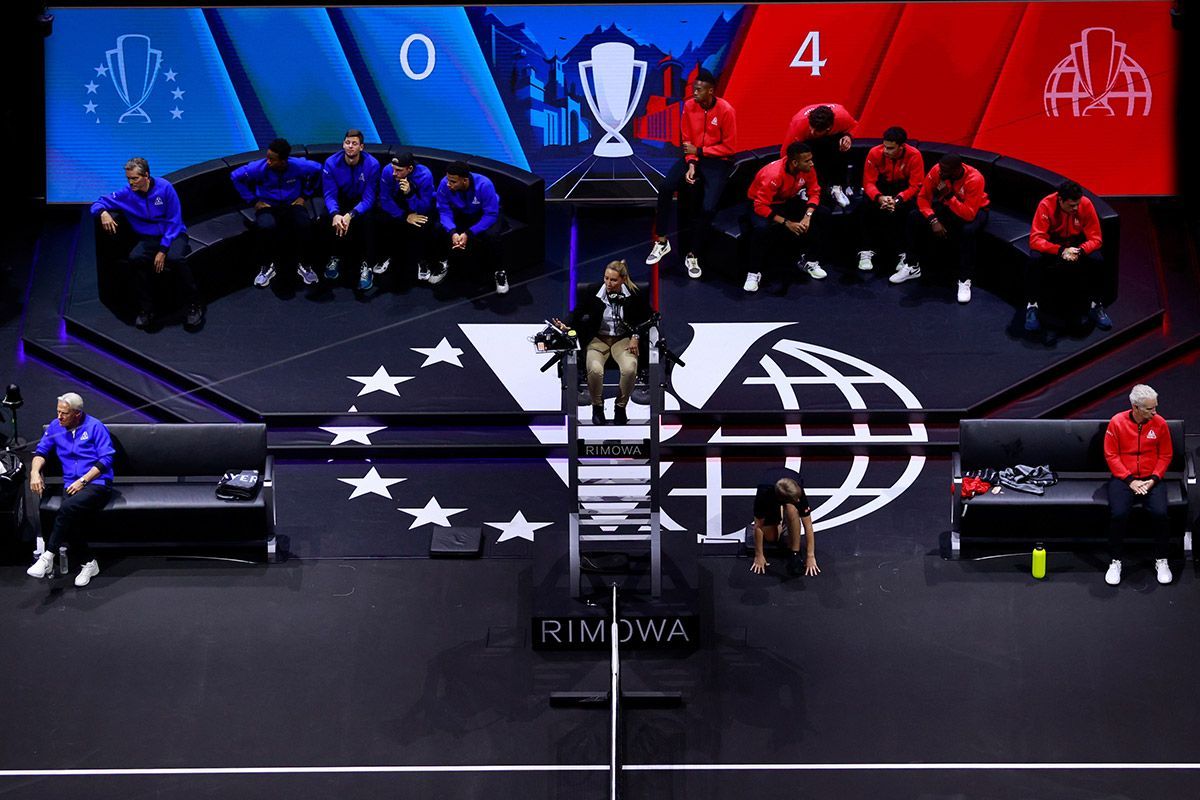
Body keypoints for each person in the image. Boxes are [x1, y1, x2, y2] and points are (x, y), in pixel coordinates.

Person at [645, 68, 737, 279]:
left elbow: (730, 148)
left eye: (699, 90)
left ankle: (693, 255)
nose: (694, 93)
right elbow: (686, 140)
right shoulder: (689, 106)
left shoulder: (726, 111)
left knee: (707, 208)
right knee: (666, 187)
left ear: (710, 91)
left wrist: (702, 152)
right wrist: (692, 163)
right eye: (694, 89)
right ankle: (661, 241)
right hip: (695, 158)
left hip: (717, 162)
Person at [91, 157, 202, 330]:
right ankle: (147, 309)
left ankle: (193, 305)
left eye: (134, 178)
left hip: (173, 235)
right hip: (149, 239)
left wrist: (163, 250)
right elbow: (98, 202)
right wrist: (102, 213)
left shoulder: (165, 188)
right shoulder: (126, 194)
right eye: (128, 178)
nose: (131, 182)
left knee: (175, 259)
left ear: (146, 176)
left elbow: (174, 221)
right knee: (135, 259)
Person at [25, 393, 115, 588]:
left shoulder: (95, 427)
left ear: (77, 414)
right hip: (71, 484)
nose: (59, 417)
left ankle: (48, 556)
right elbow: (41, 452)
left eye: (64, 413)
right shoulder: (56, 426)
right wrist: (34, 472)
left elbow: (106, 459)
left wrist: (83, 481)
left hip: (97, 483)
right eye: (57, 412)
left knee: (66, 509)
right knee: (70, 515)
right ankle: (90, 563)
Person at [558, 260, 650, 425]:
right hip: (597, 340)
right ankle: (597, 408)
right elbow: (576, 314)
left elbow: (649, 318)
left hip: (623, 340)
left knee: (629, 369)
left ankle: (620, 408)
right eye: (606, 278)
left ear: (622, 279)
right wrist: (566, 325)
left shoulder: (634, 294)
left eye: (613, 280)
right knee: (595, 369)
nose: (608, 283)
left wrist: (635, 337)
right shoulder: (593, 291)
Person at [892, 154, 990, 303]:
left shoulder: (975, 179)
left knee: (968, 231)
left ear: (957, 170)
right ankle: (912, 265)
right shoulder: (937, 171)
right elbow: (923, 198)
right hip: (949, 205)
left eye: (944, 170)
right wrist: (933, 219)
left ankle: (965, 279)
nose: (940, 173)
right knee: (914, 216)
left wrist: (949, 196)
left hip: (976, 210)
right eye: (940, 168)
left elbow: (969, 214)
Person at [1103, 384, 1173, 586]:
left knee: (1160, 513)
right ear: (1135, 407)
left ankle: (1162, 559)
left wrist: (1154, 478)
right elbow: (1111, 455)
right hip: (1124, 478)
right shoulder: (1117, 422)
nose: (1155, 412)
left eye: (1155, 407)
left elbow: (1166, 454)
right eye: (1150, 409)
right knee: (1118, 514)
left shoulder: (1159, 424)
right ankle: (1115, 561)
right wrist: (1129, 480)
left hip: (1152, 479)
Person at [231, 138, 322, 290]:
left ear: (284, 161)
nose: (267, 161)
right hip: (268, 204)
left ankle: (304, 264)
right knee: (266, 226)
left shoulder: (298, 166)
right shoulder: (257, 168)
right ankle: (267, 266)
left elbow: (318, 169)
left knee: (304, 224)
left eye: (272, 159)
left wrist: (305, 195)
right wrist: (253, 201)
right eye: (267, 157)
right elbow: (235, 177)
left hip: (292, 204)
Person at [740, 141, 828, 293]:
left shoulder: (807, 169)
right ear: (795, 162)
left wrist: (807, 216)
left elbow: (814, 192)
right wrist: (787, 223)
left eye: (811, 159)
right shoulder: (773, 175)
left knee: (823, 214)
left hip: (786, 200)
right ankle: (753, 272)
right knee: (761, 229)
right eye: (807, 161)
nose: (811, 163)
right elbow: (760, 206)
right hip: (760, 203)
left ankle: (808, 260)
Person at [1024, 180, 1110, 332]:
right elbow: (1036, 240)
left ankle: (1096, 305)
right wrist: (1060, 250)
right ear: (1060, 200)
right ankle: (1032, 306)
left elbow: (1096, 239)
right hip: (1054, 244)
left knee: (1098, 261)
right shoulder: (1046, 205)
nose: (1076, 208)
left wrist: (1080, 251)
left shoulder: (1085, 204)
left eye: (1077, 204)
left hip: (1077, 245)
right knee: (1034, 260)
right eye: (1071, 205)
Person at [855, 126, 924, 272]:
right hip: (881, 189)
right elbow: (868, 182)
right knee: (864, 206)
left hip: (902, 191)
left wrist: (897, 200)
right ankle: (866, 250)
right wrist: (879, 197)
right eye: (885, 146)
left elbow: (916, 186)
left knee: (911, 213)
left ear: (901, 146)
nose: (886, 151)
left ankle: (904, 253)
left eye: (891, 148)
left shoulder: (914, 155)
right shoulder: (875, 153)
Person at [433, 160, 506, 294]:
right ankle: (443, 263)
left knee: (492, 236)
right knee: (438, 227)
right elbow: (444, 210)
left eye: (453, 182)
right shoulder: (445, 184)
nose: (448, 184)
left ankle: (499, 272)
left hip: (486, 213)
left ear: (465, 180)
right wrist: (453, 231)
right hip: (464, 212)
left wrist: (469, 233)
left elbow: (491, 214)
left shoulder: (484, 184)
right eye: (448, 179)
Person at [321, 129, 381, 291]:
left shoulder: (372, 165)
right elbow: (329, 194)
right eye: (347, 143)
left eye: (354, 143)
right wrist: (335, 214)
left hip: (361, 203)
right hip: (340, 200)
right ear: (343, 144)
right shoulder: (331, 163)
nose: (350, 147)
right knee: (325, 217)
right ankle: (334, 257)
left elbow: (369, 198)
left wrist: (350, 215)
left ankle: (366, 265)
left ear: (361, 147)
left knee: (369, 221)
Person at [374, 151, 436, 283]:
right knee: (380, 218)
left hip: (416, 206)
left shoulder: (425, 176)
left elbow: (425, 206)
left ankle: (422, 261)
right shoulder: (387, 171)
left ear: (410, 169)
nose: (394, 173)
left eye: (399, 170)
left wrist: (409, 193)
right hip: (396, 206)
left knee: (423, 223)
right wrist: (404, 215)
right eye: (393, 168)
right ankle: (386, 256)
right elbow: (385, 199)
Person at [780, 103, 858, 207]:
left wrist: (848, 136)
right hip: (807, 142)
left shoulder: (842, 117)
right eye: (811, 127)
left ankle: (836, 187)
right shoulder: (799, 125)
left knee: (843, 144)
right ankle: (803, 188)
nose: (812, 131)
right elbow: (786, 153)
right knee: (801, 157)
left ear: (829, 128)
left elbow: (853, 126)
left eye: (816, 130)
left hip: (831, 139)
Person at [750, 467, 819, 577]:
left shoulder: (797, 491)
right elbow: (758, 526)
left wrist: (810, 556)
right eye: (795, 500)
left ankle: (794, 553)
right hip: (771, 496)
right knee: (772, 538)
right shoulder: (764, 495)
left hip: (786, 491)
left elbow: (808, 525)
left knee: (792, 510)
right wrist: (759, 555)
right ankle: (780, 515)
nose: (798, 501)